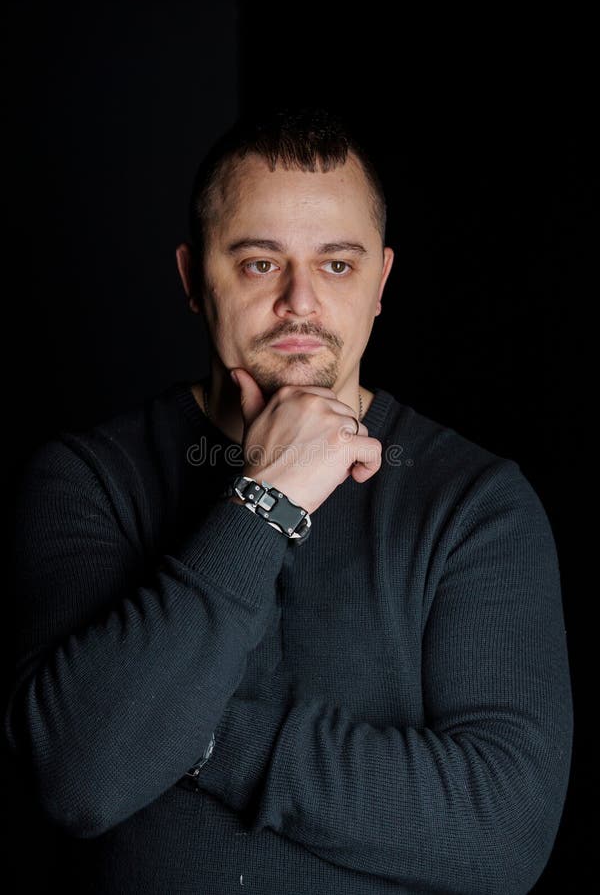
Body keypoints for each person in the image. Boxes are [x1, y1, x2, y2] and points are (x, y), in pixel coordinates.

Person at [4, 106, 573, 894]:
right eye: (259, 263)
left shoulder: (475, 502)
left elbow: (502, 834)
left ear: (380, 282)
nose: (300, 304)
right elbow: (79, 776)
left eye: (337, 265)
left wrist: (184, 732)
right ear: (191, 280)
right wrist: (267, 494)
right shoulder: (86, 479)